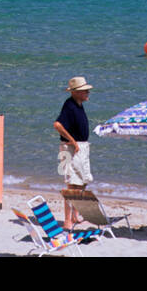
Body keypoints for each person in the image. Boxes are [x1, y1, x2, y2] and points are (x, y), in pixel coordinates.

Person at [53, 76, 94, 228]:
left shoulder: (78, 104)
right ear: (76, 92)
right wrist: (73, 141)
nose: (87, 93)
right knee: (72, 185)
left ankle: (76, 216)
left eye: (87, 90)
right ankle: (68, 221)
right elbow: (57, 125)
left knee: (82, 182)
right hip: (71, 149)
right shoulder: (69, 105)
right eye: (85, 91)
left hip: (80, 148)